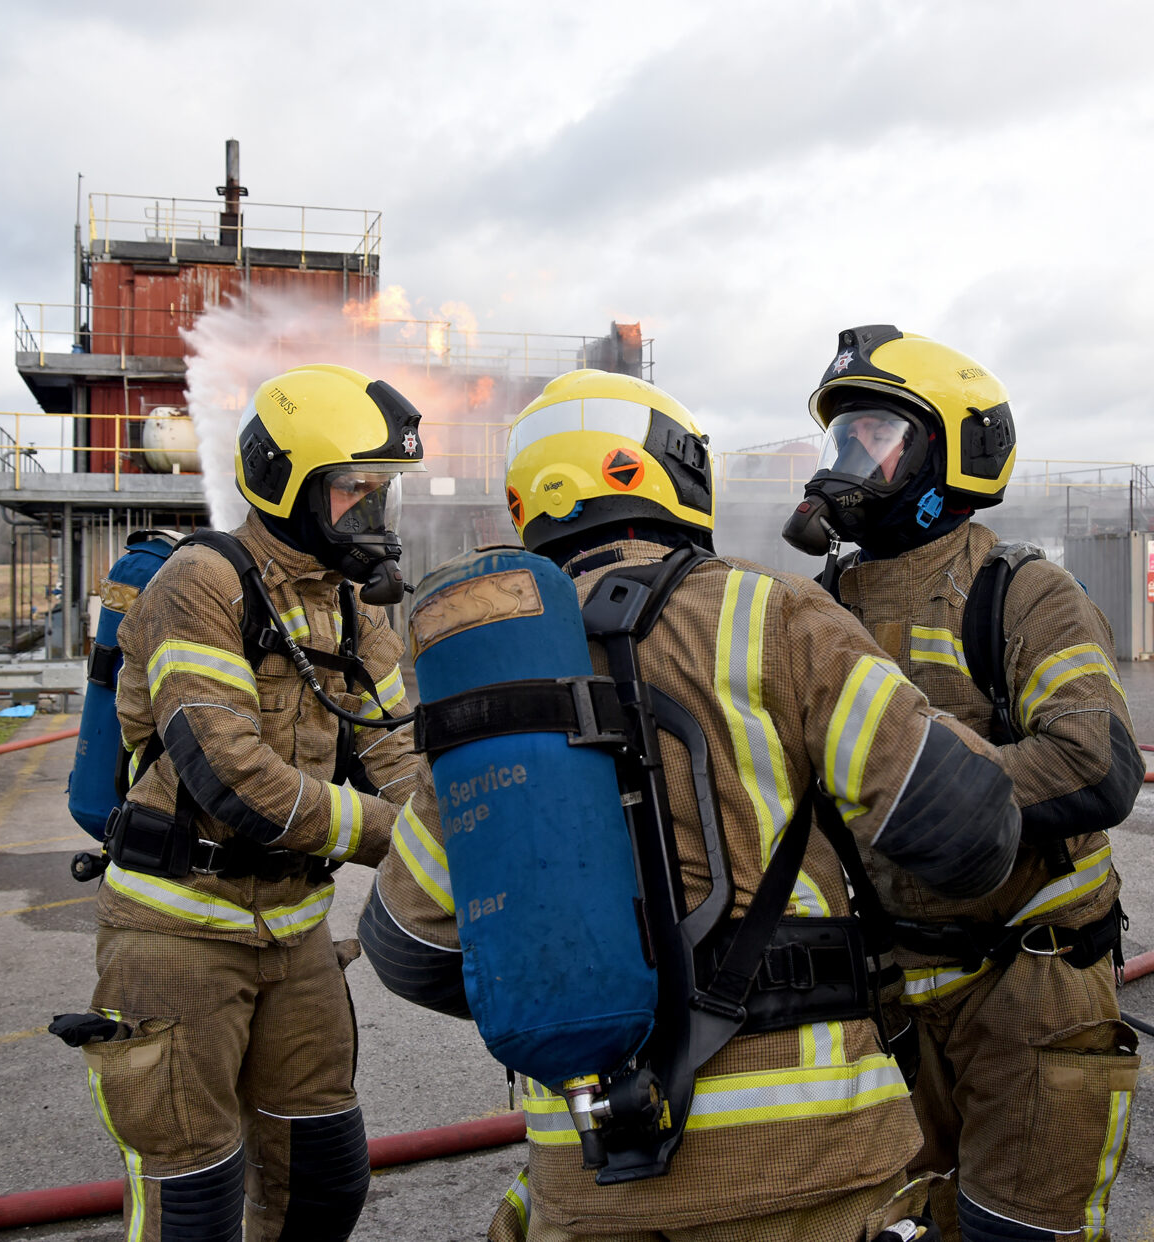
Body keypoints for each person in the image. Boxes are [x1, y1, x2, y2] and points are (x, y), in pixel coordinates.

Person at [359, 369, 1028, 1242]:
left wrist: (577, 972)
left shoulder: (499, 676)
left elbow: (405, 942)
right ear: (671, 470)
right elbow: (968, 826)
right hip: (807, 1161)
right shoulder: (770, 611)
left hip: (589, 1173)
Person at [784, 325, 1144, 1242]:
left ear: (953, 452)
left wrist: (932, 794)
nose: (845, 462)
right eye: (840, 439)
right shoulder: (820, 611)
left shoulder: (1018, 593)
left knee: (1013, 1231)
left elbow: (1094, 761)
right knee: (901, 1223)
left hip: (1029, 985)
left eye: (872, 437)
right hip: (889, 993)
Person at [66, 363, 428, 1242]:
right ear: (288, 484)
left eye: (385, 493)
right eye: (354, 491)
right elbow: (230, 776)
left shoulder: (351, 605)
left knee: (325, 1183)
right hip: (177, 929)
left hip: (295, 929)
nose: (375, 515)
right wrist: (407, 841)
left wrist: (467, 828)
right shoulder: (200, 583)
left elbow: (399, 749)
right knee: (194, 1199)